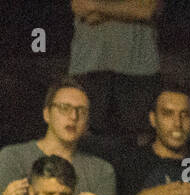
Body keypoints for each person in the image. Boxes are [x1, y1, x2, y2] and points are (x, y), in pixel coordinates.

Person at [0, 78, 116, 195]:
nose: (73, 116)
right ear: (47, 114)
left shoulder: (102, 170)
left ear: (87, 123)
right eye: (64, 108)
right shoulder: (13, 157)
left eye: (82, 111)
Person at [69, 0, 163, 139]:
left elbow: (146, 10)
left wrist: (97, 8)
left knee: (141, 145)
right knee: (86, 143)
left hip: (140, 69)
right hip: (89, 67)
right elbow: (81, 6)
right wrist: (129, 9)